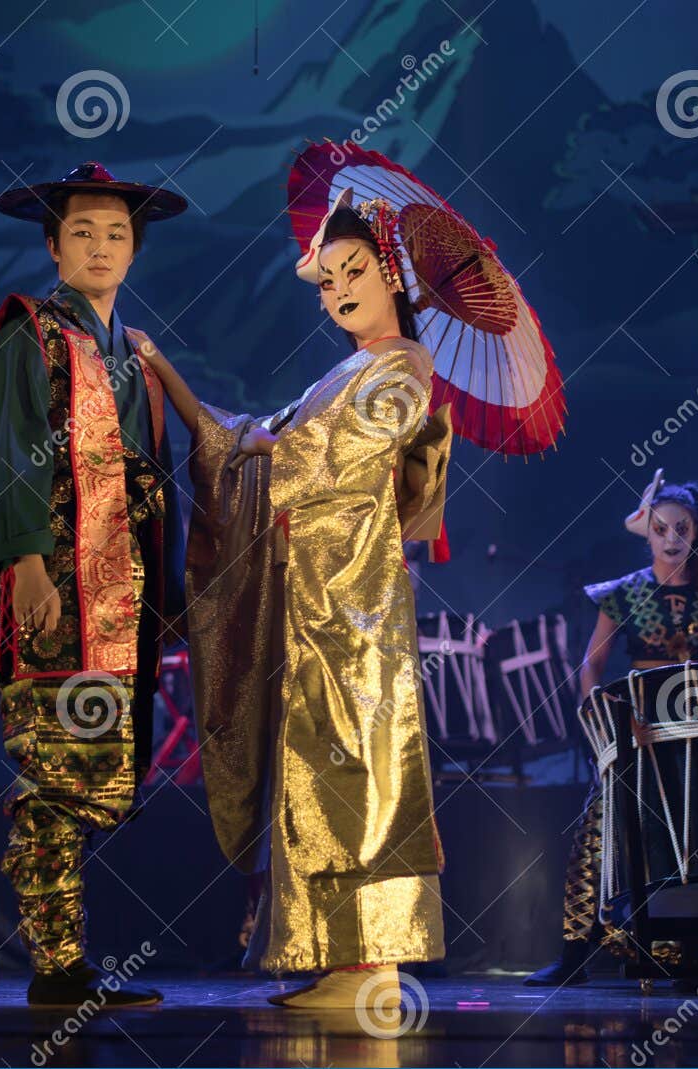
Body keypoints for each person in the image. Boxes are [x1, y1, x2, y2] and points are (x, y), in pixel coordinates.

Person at [136, 186, 452, 1008]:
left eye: (355, 270)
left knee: (354, 766)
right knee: (314, 771)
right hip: (316, 600)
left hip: (355, 602)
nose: (338, 289)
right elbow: (258, 441)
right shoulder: (353, 367)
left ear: (395, 278)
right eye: (325, 279)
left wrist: (253, 442)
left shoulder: (402, 369)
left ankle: (371, 958)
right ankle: (337, 960)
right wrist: (169, 379)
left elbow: (315, 459)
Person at [0, 162, 185, 1008]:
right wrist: (25, 563)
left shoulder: (128, 351)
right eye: (82, 233)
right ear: (53, 247)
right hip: (53, 586)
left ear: (133, 254)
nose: (100, 246)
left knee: (91, 769)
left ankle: (68, 960)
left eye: (117, 235)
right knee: (50, 777)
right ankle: (56, 969)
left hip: (116, 599)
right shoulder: (31, 334)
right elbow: (7, 449)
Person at [524, 471, 698, 986]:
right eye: (662, 529)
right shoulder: (624, 593)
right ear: (648, 533)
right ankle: (574, 954)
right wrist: (599, 714)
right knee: (599, 831)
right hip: (640, 724)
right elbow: (592, 665)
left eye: (682, 528)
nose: (672, 538)